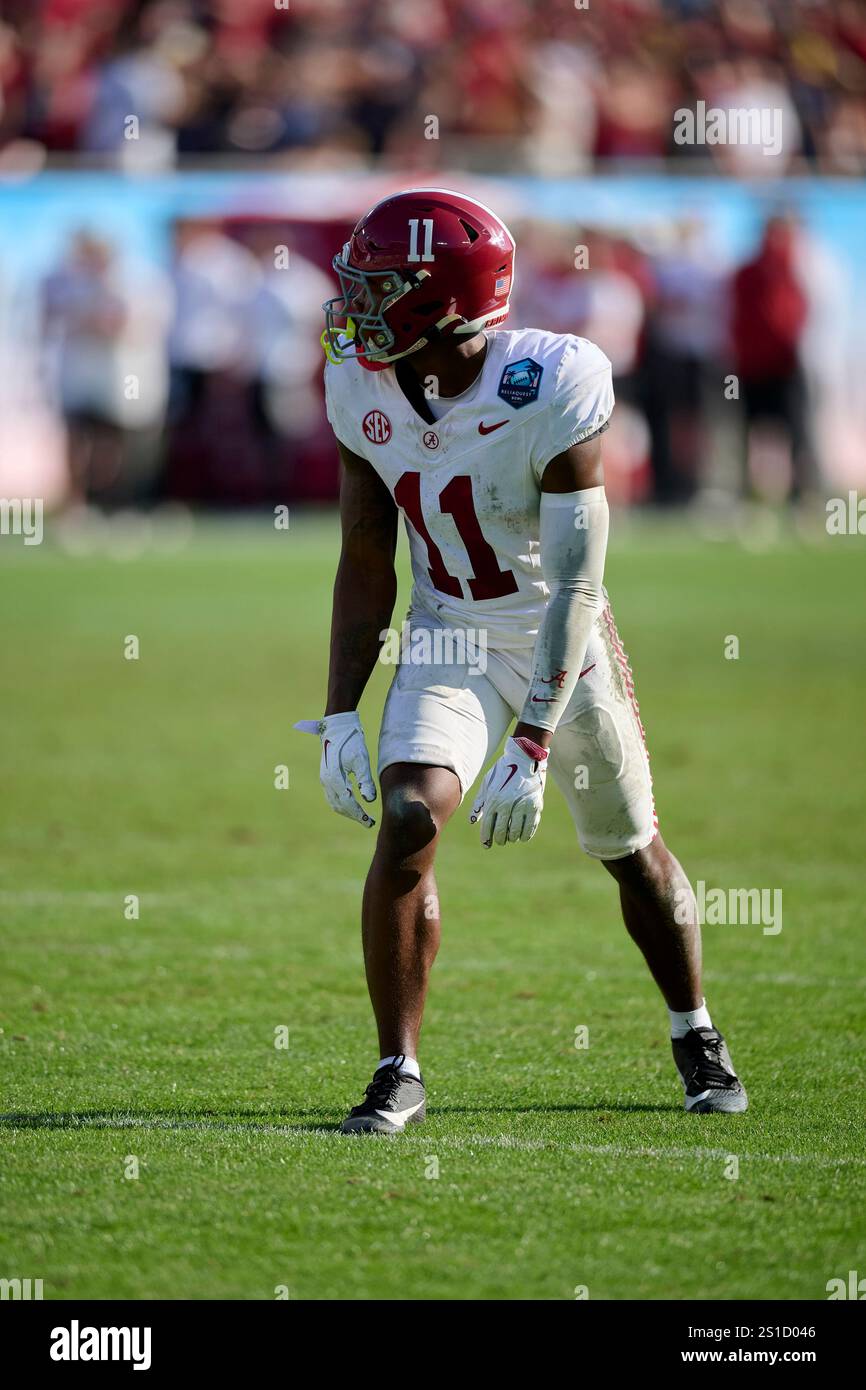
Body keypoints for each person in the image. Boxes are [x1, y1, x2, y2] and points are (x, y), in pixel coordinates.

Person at [297, 189, 747, 1133]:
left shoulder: (551, 381)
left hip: (556, 633)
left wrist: (534, 739)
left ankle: (695, 1031)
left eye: (377, 286)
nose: (353, 305)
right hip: (447, 629)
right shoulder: (359, 383)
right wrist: (340, 707)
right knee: (410, 816)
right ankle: (398, 1069)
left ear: (439, 300)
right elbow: (366, 553)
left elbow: (578, 586)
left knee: (630, 850)